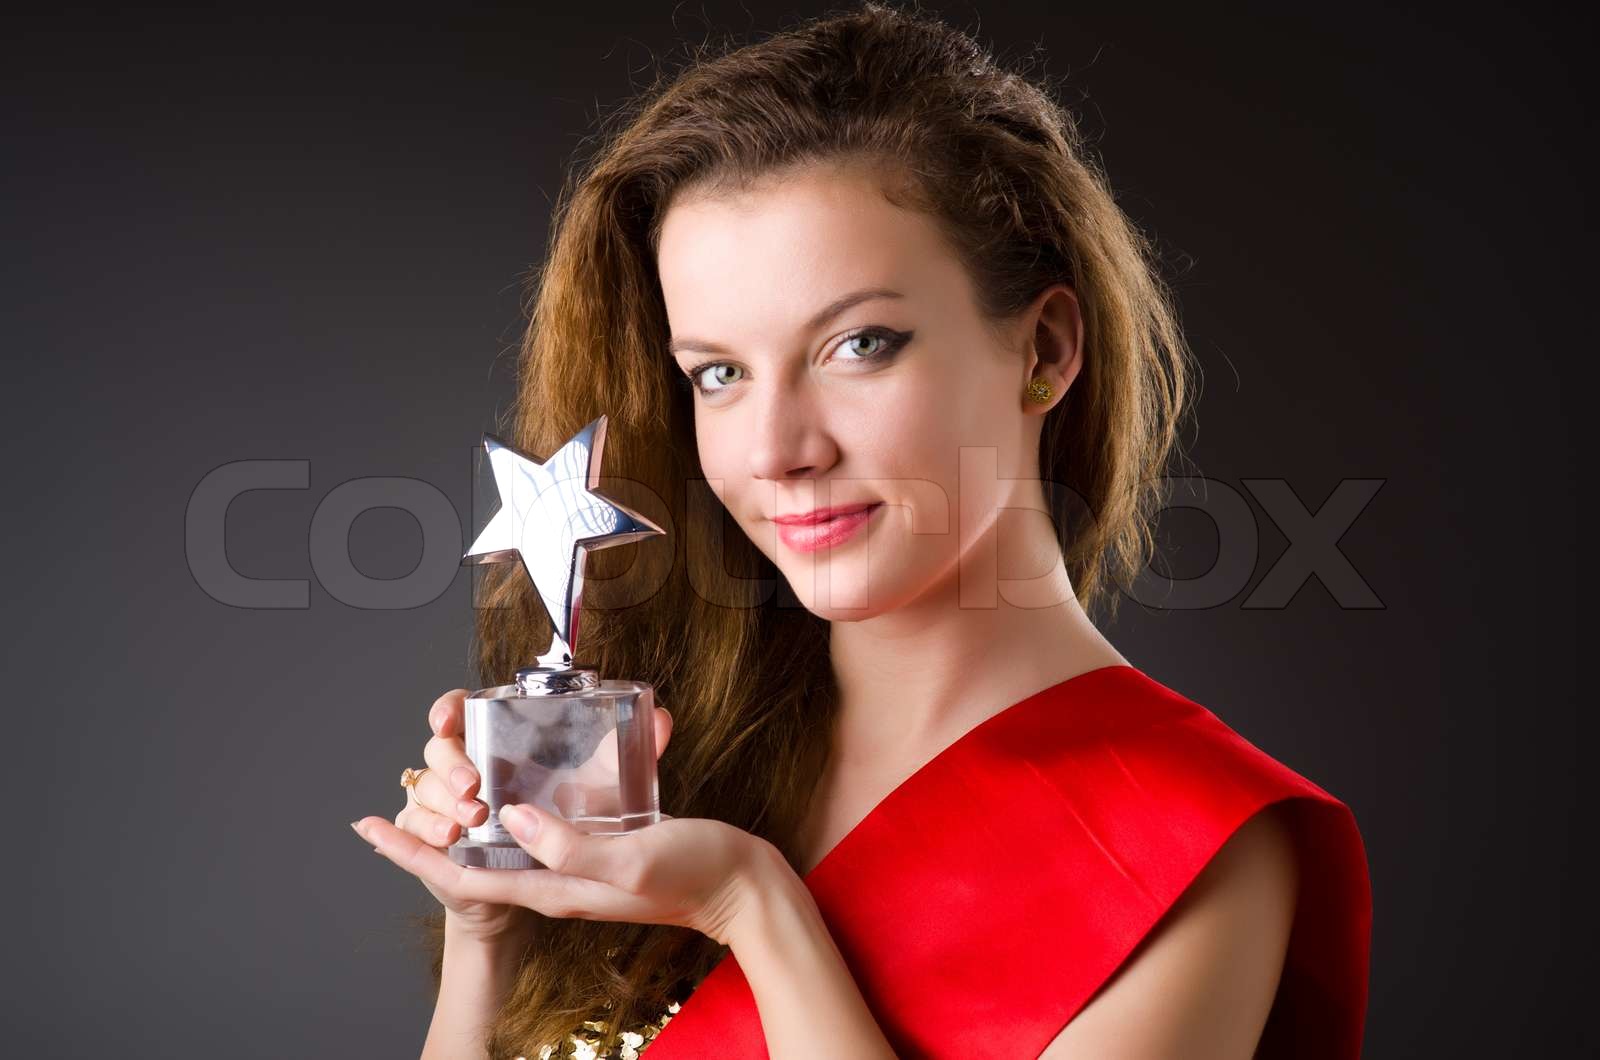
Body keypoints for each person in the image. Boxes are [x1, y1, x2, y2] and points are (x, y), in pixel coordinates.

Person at [349, 4, 1372, 1057]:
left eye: (859, 344)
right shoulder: (665, 759)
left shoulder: (1191, 841)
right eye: (719, 373)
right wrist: (491, 935)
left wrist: (756, 907)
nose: (778, 449)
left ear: (1046, 349)